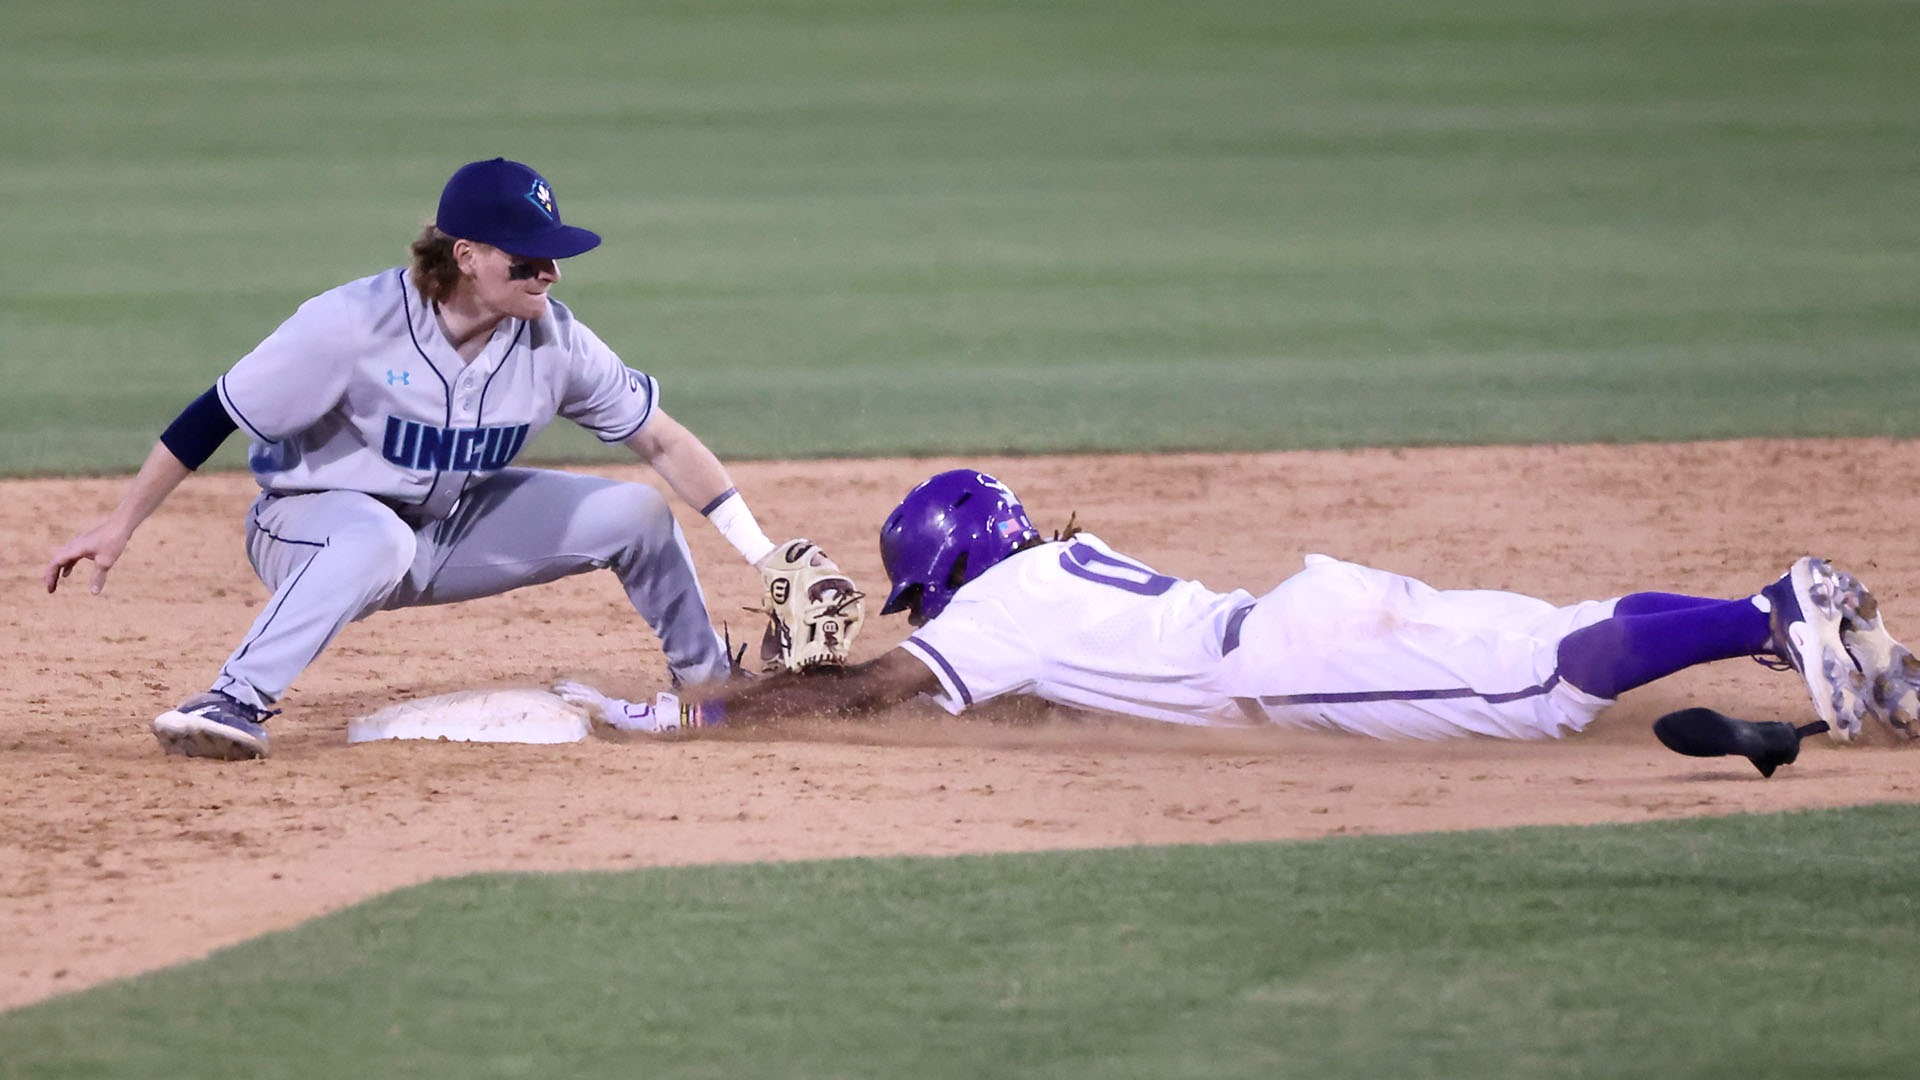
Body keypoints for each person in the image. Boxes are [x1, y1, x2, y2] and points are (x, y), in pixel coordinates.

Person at [45, 158, 797, 761]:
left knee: (634, 511)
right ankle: (232, 698)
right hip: (308, 526)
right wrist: (120, 526)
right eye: (530, 259)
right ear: (466, 256)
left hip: (451, 529)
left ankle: (711, 688)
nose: (551, 275)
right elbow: (213, 414)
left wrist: (761, 554)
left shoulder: (554, 341)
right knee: (378, 536)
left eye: (554, 258)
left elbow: (661, 439)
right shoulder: (348, 327)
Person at [559, 469, 1920, 745]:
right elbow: (1030, 693)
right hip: (1310, 613)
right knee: (1545, 630)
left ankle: (1774, 612)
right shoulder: (1048, 579)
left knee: (1540, 695)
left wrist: (727, 704)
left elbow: (865, 695)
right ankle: (1782, 621)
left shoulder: (985, 619)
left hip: (1301, 659)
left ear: (948, 569)